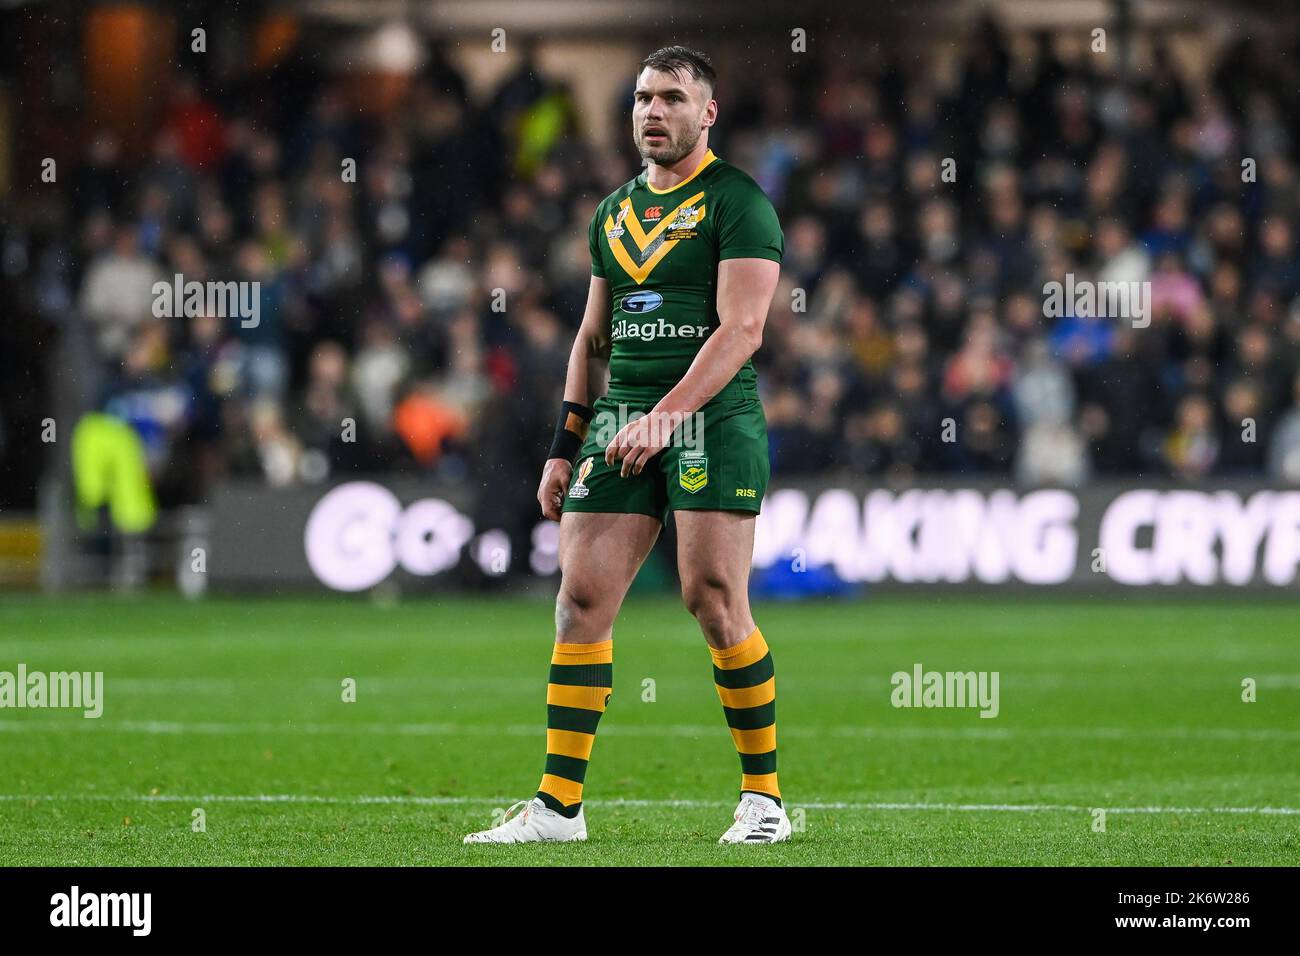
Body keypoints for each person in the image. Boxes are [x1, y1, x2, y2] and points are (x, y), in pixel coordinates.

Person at [464, 46, 788, 845]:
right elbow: (591, 336)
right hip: (622, 415)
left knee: (713, 599)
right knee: (579, 603)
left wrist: (669, 415)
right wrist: (563, 444)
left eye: (672, 98)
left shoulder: (739, 202)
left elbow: (743, 331)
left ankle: (765, 801)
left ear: (706, 113)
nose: (652, 111)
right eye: (642, 97)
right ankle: (557, 809)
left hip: (712, 416)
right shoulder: (611, 212)